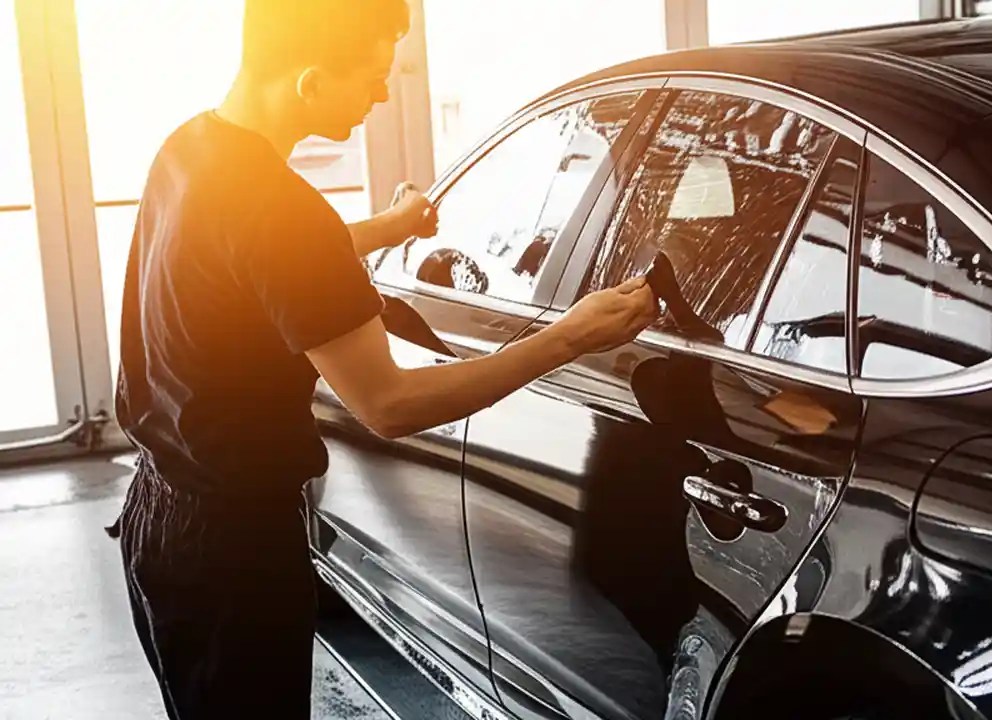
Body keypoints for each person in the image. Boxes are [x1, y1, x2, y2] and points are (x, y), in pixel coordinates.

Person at [107, 1, 657, 718]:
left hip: (159, 517)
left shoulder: (190, 149)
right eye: (373, 74)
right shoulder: (284, 212)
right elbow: (390, 404)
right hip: (233, 554)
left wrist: (388, 229)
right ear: (309, 83)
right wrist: (568, 337)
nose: (382, 92)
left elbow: (254, 261)